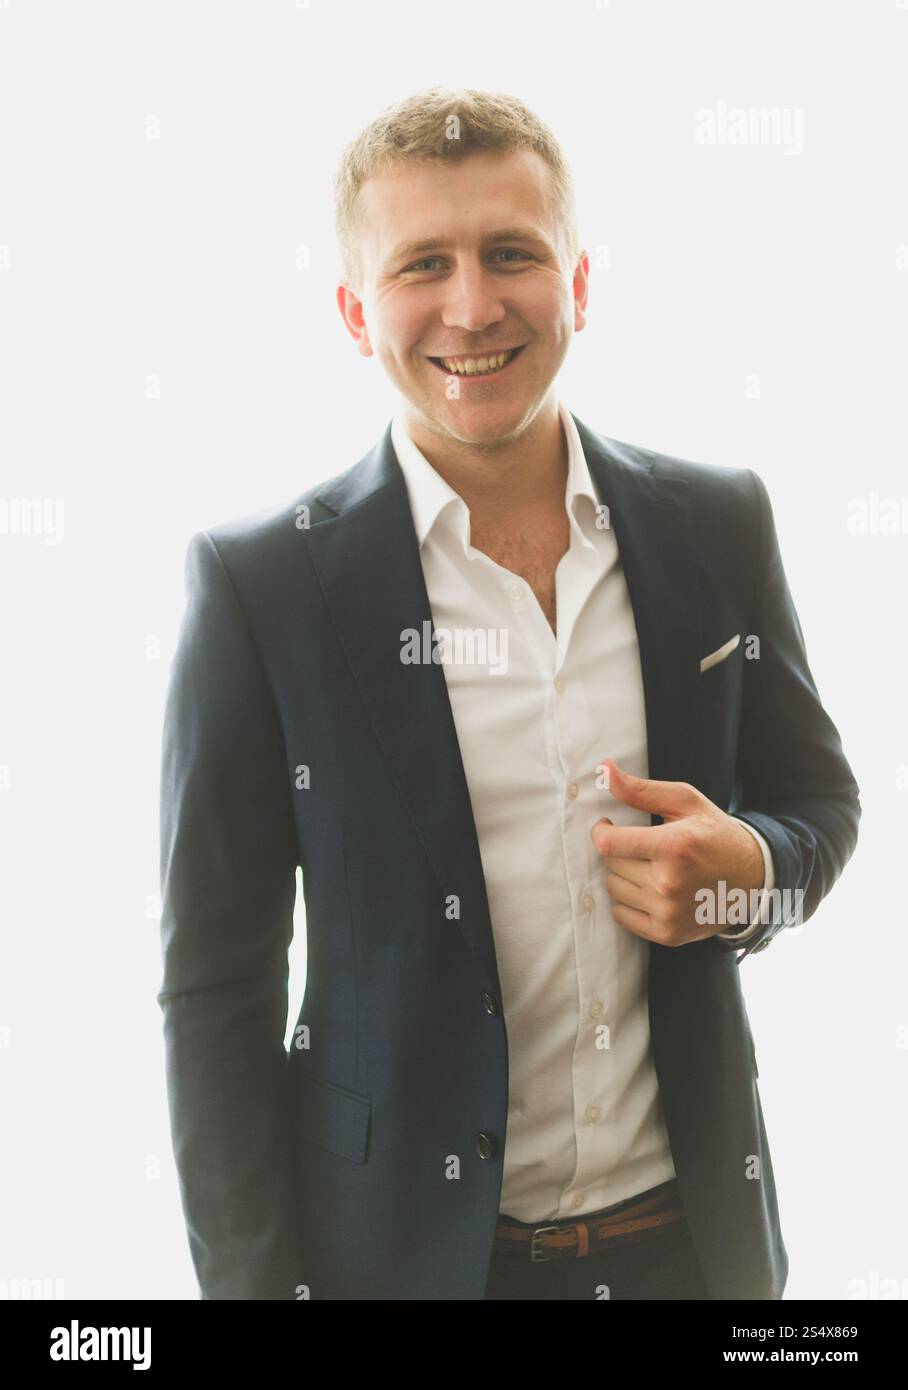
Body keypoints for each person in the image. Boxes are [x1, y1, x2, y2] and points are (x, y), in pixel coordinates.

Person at [157, 87, 861, 1300]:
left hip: (690, 1254)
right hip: (405, 1267)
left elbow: (818, 813)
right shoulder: (259, 586)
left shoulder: (716, 524)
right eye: (421, 264)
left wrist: (749, 873)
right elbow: (216, 985)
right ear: (351, 310)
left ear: (577, 284)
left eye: (510, 254)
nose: (472, 306)